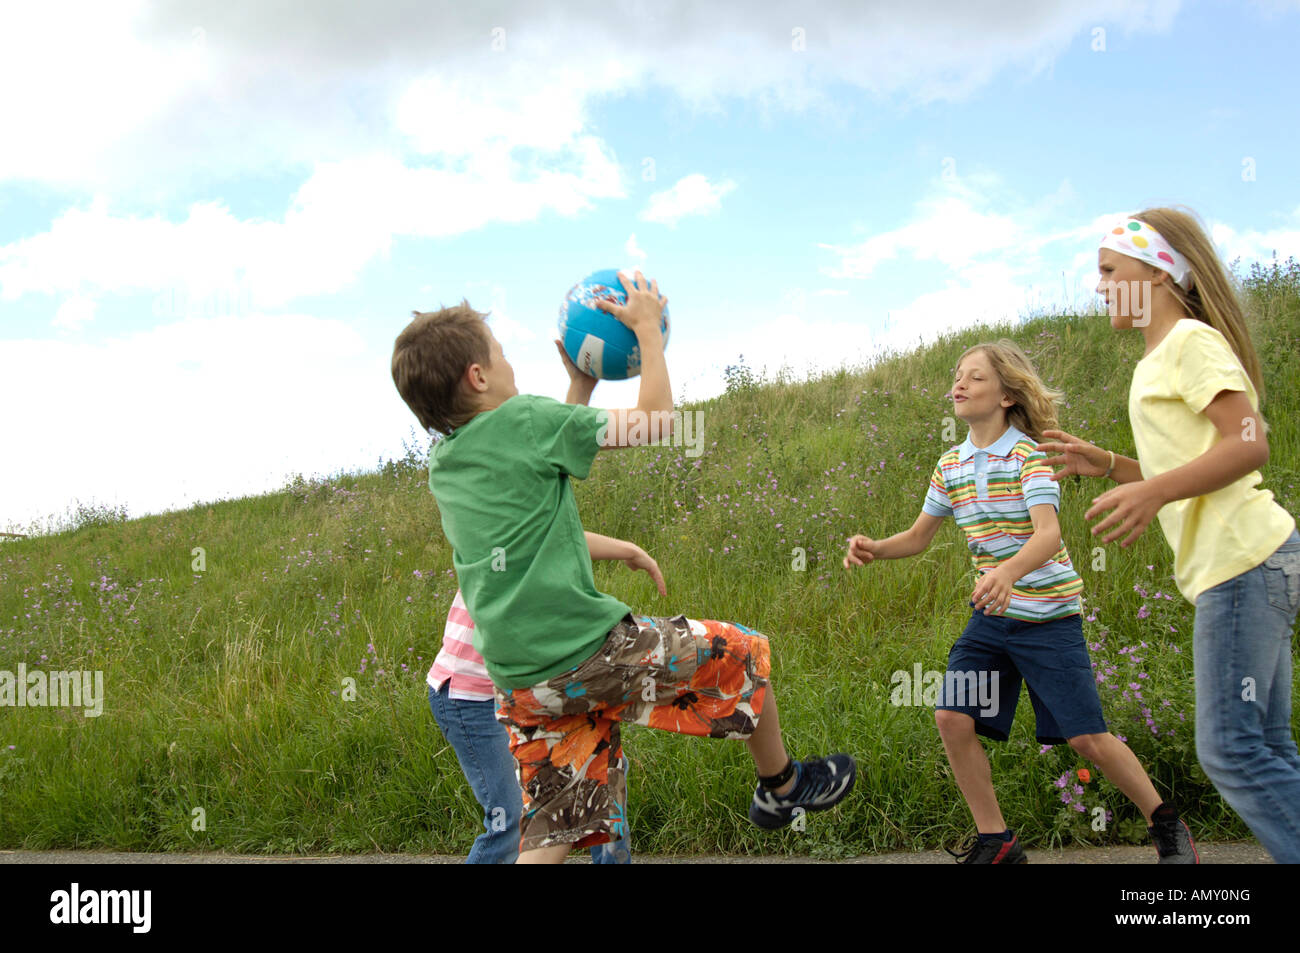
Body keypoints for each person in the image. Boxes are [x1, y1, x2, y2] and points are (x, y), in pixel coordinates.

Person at [392, 273, 855, 863]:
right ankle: (781, 786)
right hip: (583, 651)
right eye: (501, 356)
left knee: (557, 829)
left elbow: (535, 471)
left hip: (522, 683)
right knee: (744, 653)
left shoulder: (448, 463)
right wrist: (647, 336)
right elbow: (656, 422)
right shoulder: (528, 421)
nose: (511, 366)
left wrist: (578, 386)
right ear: (478, 377)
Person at [844, 339, 1196, 863]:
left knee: (1086, 739)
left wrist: (1008, 571)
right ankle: (998, 841)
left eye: (975, 378)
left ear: (1008, 394)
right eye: (957, 376)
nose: (958, 385)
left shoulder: (1027, 456)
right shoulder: (950, 465)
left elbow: (1048, 536)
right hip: (991, 619)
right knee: (952, 717)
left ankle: (1165, 823)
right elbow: (918, 537)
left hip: (1048, 619)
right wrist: (876, 548)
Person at [1037, 208, 1300, 863]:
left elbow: (1249, 441)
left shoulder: (1187, 340)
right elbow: (1184, 462)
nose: (1097, 286)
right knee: (1267, 745)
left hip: (1241, 564)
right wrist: (1111, 466)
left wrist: (1153, 492)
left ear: (1155, 272)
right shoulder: (1157, 358)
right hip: (1257, 562)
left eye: (1108, 270)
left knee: (1231, 749)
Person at [428, 573, 641, 864]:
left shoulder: (551, 544)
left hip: (526, 692)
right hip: (471, 698)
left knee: (606, 770)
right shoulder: (513, 550)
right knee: (511, 819)